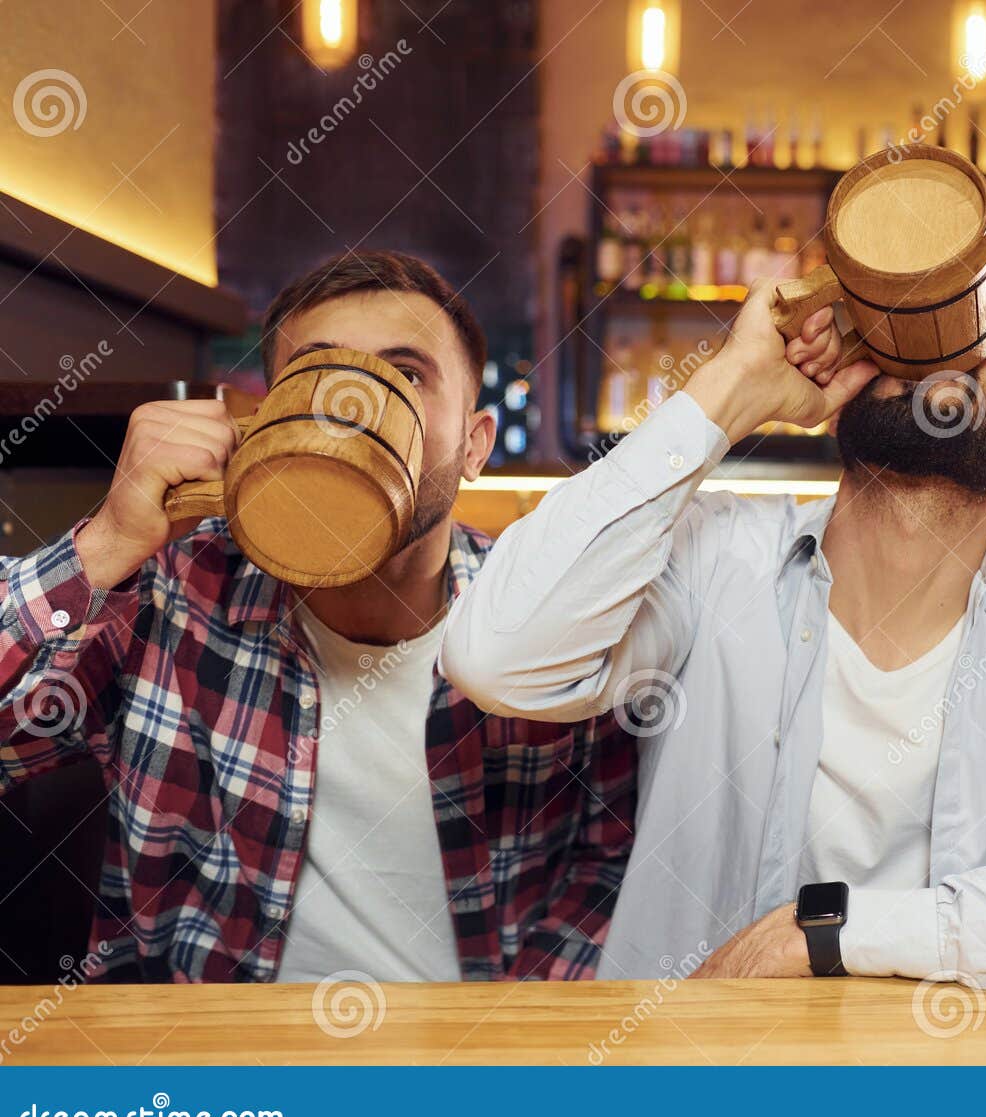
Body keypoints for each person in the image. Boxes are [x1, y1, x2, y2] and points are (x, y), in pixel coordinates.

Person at [440, 248, 986, 993]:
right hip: (683, 1076)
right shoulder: (719, 552)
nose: (942, 343)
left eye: (985, 324)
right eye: (913, 320)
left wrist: (822, 933)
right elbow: (496, 657)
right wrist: (734, 385)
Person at [0, 250, 634, 982]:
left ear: (474, 444)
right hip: (223, 1081)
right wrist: (109, 542)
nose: (351, 407)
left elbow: (609, 856)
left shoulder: (547, 613)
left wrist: (512, 1054)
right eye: (318, 375)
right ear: (266, 419)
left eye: (405, 375)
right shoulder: (171, 588)